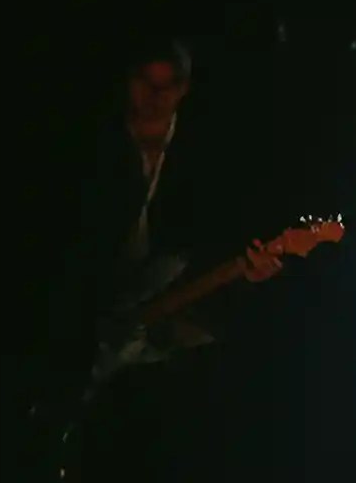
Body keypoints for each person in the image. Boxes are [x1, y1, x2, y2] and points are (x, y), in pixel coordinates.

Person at [43, 36, 286, 481]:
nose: (155, 96)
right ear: (127, 81)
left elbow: (212, 240)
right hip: (75, 324)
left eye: (168, 84)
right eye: (145, 81)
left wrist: (250, 272)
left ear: (185, 89)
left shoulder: (204, 155)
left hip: (146, 347)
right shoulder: (88, 143)